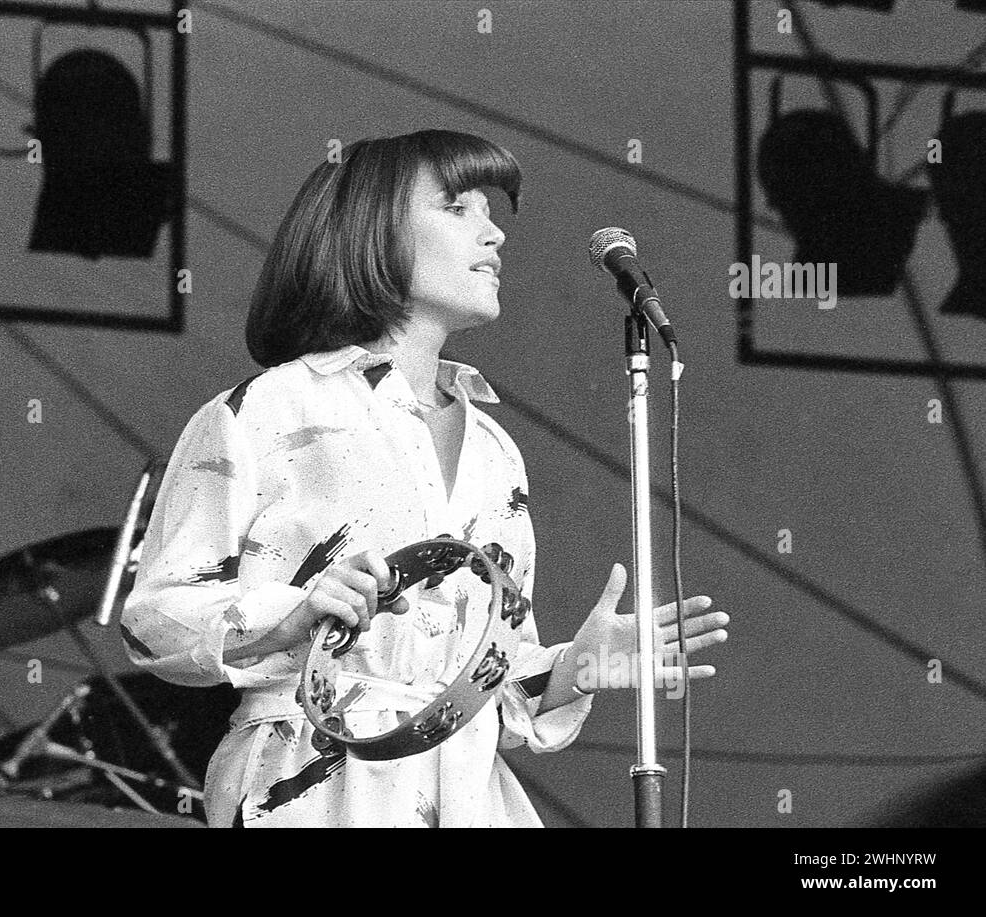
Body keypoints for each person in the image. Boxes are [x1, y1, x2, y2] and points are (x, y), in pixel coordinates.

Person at [120, 129, 729, 827]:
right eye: (459, 208)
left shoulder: (496, 450)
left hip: (472, 794)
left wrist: (577, 668)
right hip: (312, 788)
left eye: (491, 212)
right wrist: (287, 614)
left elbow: (485, 685)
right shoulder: (265, 410)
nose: (494, 233)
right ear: (374, 232)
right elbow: (153, 620)